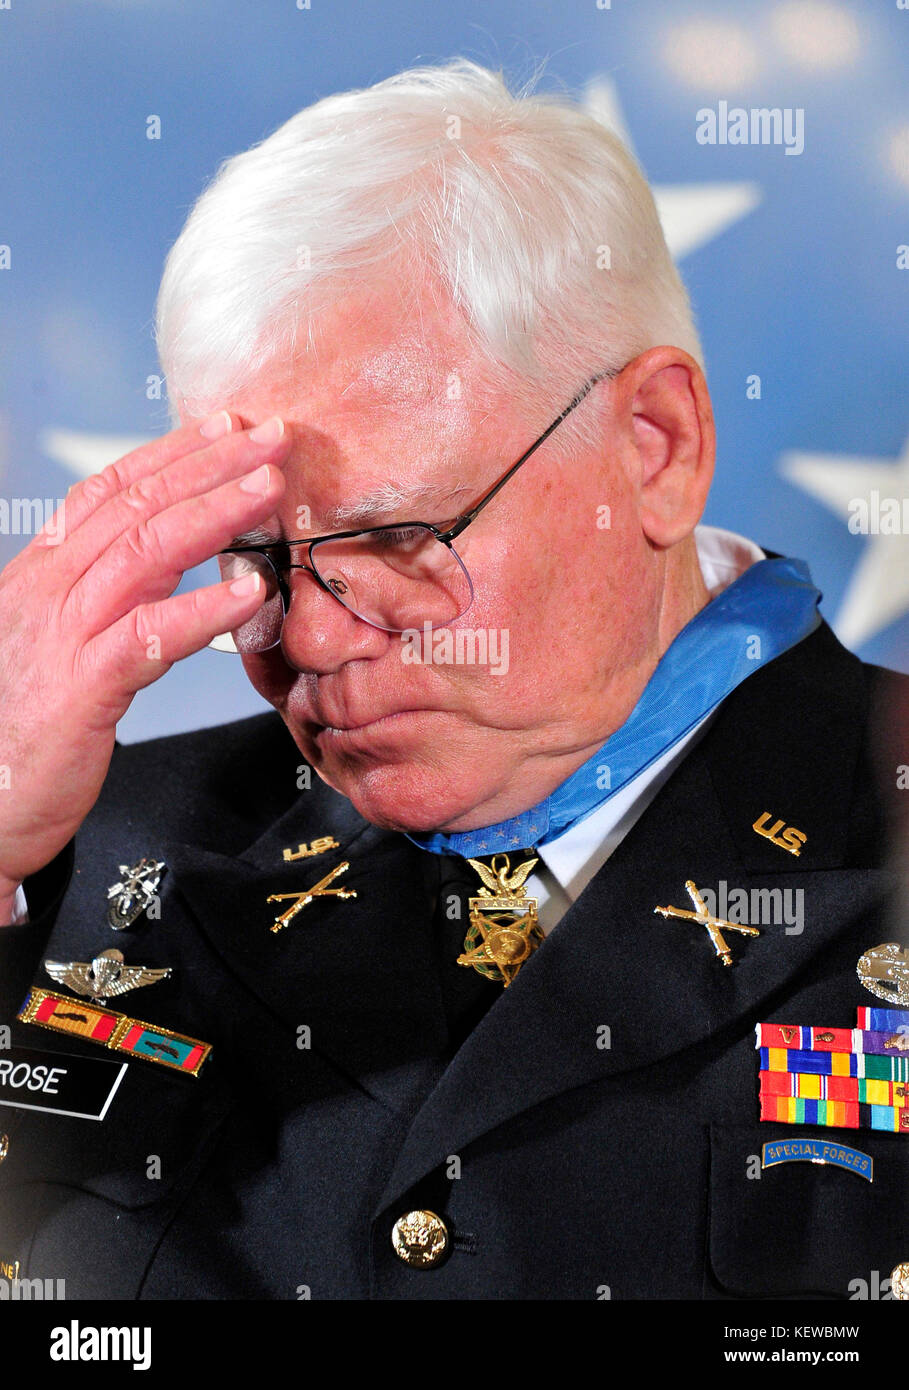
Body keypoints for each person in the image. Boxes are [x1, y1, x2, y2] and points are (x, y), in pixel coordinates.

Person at [0, 60, 906, 1301]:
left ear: (656, 449)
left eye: (395, 539)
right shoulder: (68, 854)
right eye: (260, 555)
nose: (310, 643)